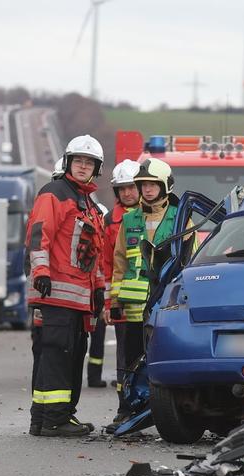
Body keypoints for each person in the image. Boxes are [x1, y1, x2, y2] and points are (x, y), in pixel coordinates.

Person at [26, 135, 107, 437]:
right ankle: (55, 419)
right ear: (69, 162)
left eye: (89, 163)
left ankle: (43, 418)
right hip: (55, 292)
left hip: (78, 299)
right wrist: (41, 271)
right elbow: (39, 234)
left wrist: (99, 288)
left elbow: (94, 254)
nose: (83, 166)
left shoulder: (88, 205)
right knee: (57, 354)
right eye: (79, 161)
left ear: (96, 168)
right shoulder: (55, 193)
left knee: (68, 355)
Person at [108, 158, 187, 428]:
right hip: (132, 306)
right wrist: (115, 300)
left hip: (165, 306)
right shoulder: (129, 219)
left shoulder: (181, 218)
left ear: (165, 185)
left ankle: (165, 410)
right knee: (129, 361)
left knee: (161, 359)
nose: (148, 189)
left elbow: (190, 263)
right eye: (144, 185)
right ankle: (127, 409)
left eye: (153, 184)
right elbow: (119, 262)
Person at [99, 160, 140, 416]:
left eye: (131, 187)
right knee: (124, 359)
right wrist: (109, 303)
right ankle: (125, 407)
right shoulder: (110, 221)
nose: (127, 193)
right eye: (122, 188)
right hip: (124, 300)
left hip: (151, 301)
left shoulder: (156, 215)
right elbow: (107, 264)